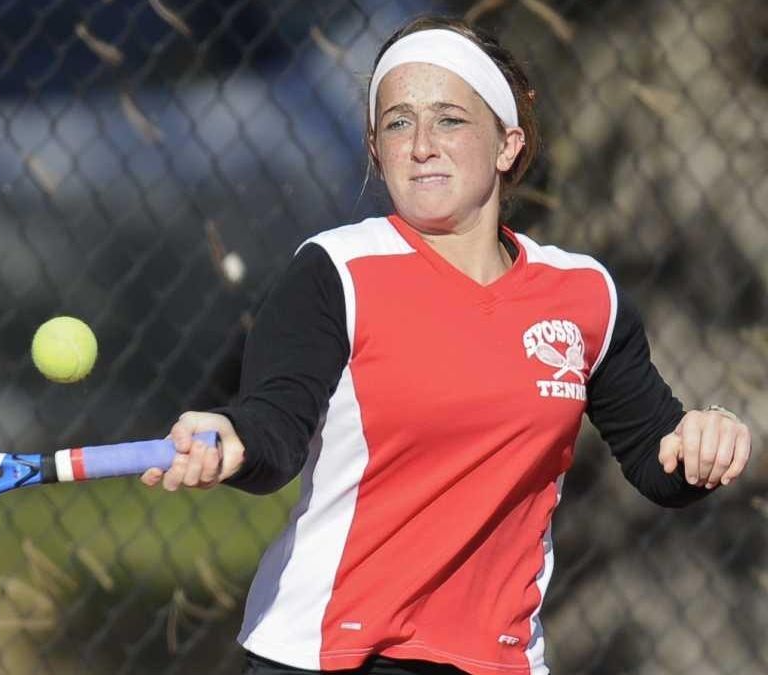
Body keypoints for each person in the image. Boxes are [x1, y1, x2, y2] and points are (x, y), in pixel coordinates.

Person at [140, 15, 754, 675]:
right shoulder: (336, 270)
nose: (423, 144)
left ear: (506, 144)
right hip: (332, 653)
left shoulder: (585, 296)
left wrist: (705, 441)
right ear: (377, 152)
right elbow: (275, 426)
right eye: (399, 123)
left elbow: (659, 460)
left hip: (499, 658)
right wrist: (232, 437)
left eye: (450, 120)